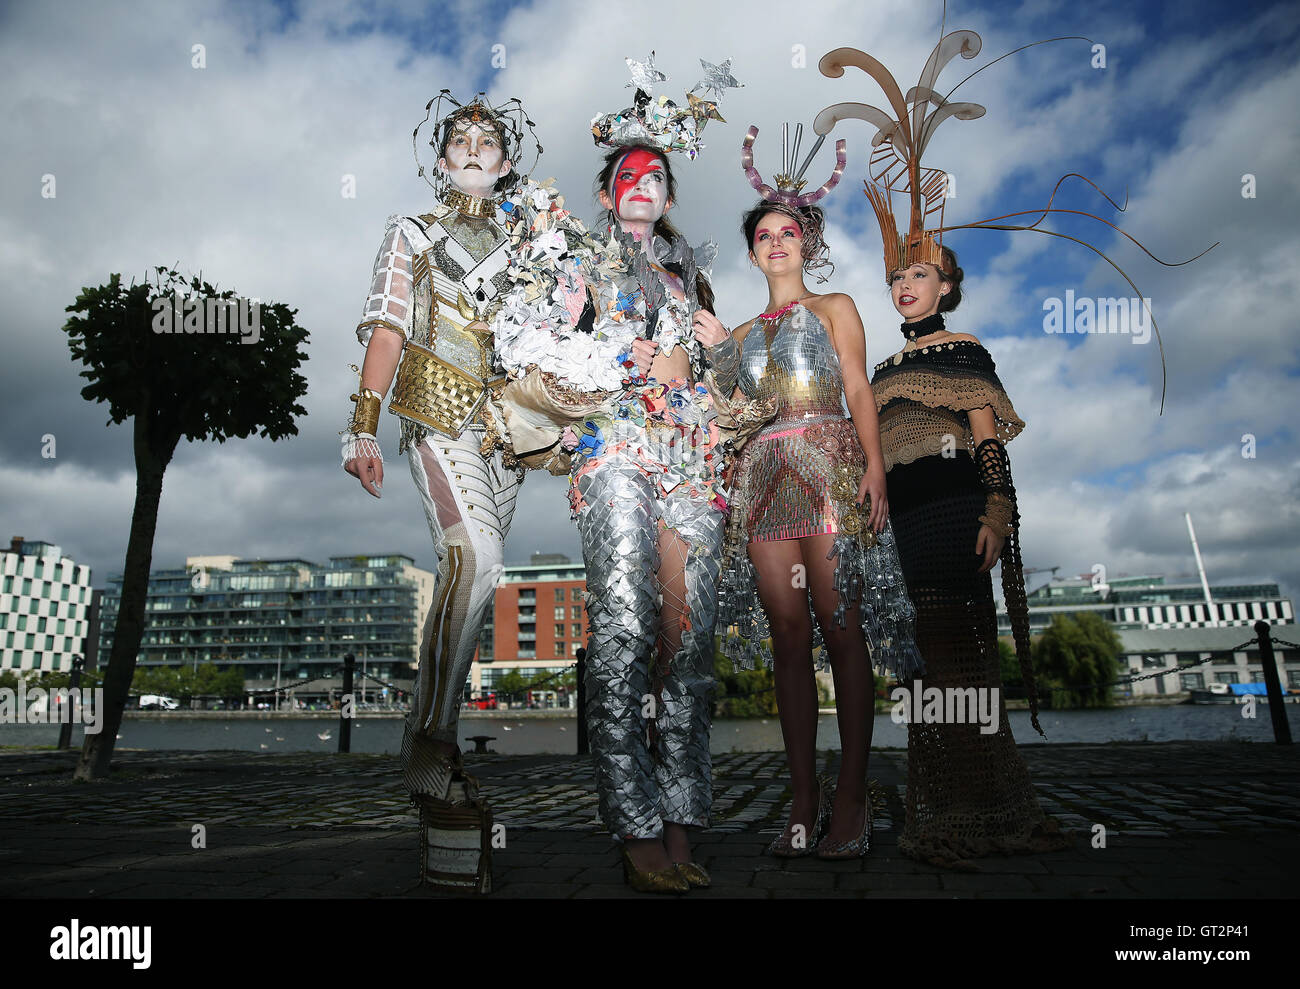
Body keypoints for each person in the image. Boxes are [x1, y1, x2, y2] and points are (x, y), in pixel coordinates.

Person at [708, 182, 921, 858]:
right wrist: (713, 356)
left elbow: (857, 385)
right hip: (765, 479)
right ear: (752, 252)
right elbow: (727, 413)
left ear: (807, 244)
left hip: (829, 463)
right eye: (763, 235)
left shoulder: (836, 307)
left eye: (787, 233)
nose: (776, 242)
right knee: (788, 634)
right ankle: (804, 800)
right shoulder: (738, 334)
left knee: (841, 625)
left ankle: (852, 795)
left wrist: (875, 466)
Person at [341, 94, 536, 808]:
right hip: (437, 409)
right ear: (443, 157)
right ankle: (430, 742)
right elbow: (388, 328)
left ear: (507, 161)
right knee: (475, 557)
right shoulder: (413, 231)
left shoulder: (532, 239)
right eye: (462, 137)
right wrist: (362, 424)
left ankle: (439, 734)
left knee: (480, 585)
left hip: (510, 432)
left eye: (489, 139)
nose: (476, 145)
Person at [870, 246, 1067, 867]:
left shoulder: (963, 347)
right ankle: (948, 811)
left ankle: (983, 809)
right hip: (902, 527)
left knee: (961, 663)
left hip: (955, 515)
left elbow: (986, 437)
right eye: (898, 276)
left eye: (920, 275)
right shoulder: (879, 369)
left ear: (947, 287)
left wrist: (997, 511)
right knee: (922, 669)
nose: (905, 284)